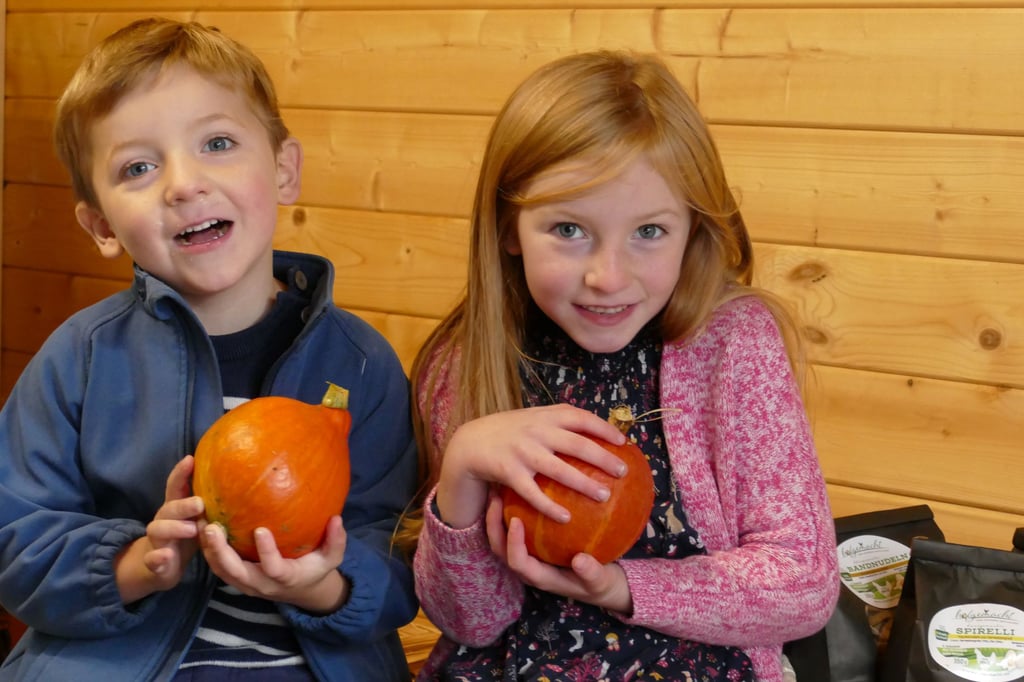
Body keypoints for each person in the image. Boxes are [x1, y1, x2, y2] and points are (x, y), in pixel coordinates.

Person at [0, 18, 418, 681]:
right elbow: (15, 539)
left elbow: (397, 558)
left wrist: (319, 586)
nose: (183, 184)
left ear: (283, 171)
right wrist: (138, 564)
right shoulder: (76, 358)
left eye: (217, 143)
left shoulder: (362, 365)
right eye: (139, 166)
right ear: (102, 225)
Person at [408, 50, 840, 682]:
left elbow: (802, 585)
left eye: (649, 232)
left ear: (692, 228)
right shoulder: (467, 360)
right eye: (567, 229)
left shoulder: (731, 344)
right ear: (508, 227)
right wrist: (464, 470)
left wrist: (619, 587)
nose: (607, 277)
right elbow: (471, 622)